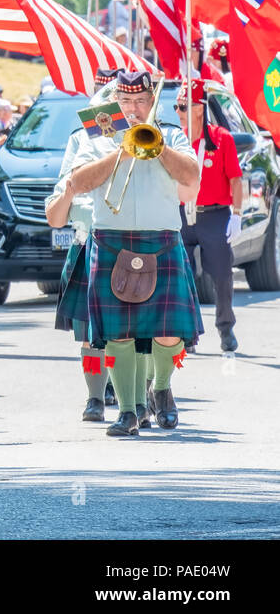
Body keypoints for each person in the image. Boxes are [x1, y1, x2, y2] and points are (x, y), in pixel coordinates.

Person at [66, 70, 203, 436]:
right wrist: (120, 154)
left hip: (161, 240)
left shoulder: (170, 134)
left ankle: (161, 387)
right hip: (111, 239)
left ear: (151, 102)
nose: (133, 109)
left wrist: (157, 147)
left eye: (141, 101)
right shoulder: (97, 137)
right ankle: (127, 411)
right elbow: (77, 182)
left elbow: (191, 176)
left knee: (169, 333)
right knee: (118, 334)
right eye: (126, 102)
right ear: (115, 102)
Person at [46, 69, 114, 423]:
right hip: (89, 237)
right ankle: (95, 396)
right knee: (89, 331)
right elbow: (64, 189)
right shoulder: (80, 140)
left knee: (131, 332)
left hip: (129, 237)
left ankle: (140, 391)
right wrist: (68, 192)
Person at [176, 79, 243, 353]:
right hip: (181, 214)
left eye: (183, 106)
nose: (178, 111)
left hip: (213, 215)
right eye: (176, 106)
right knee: (182, 276)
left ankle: (225, 327)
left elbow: (236, 180)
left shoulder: (221, 139)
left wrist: (236, 215)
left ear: (199, 109)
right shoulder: (174, 140)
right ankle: (187, 333)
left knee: (222, 276)